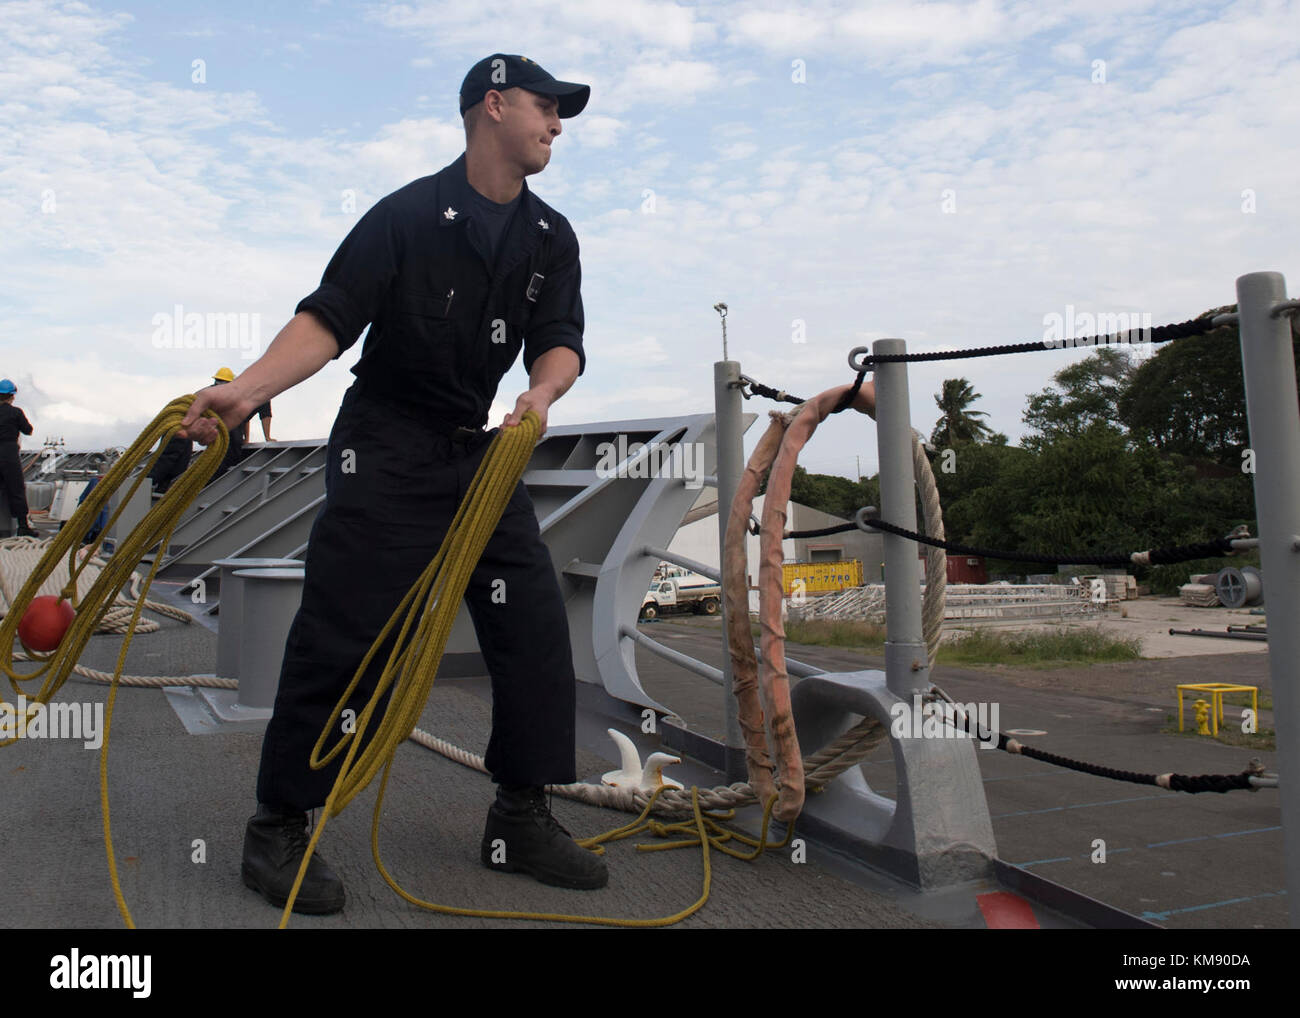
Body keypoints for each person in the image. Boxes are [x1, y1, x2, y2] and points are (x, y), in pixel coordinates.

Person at [180, 54, 596, 915]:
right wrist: (246, 391)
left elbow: (559, 338)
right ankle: (279, 826)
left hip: (477, 454)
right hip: (385, 446)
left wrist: (542, 391)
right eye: (546, 106)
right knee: (346, 636)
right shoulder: (405, 216)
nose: (558, 123)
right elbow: (328, 320)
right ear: (494, 105)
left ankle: (518, 814)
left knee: (533, 626)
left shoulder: (551, 237)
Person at [208, 367, 273, 481]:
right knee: (225, 457)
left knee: (227, 456)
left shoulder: (242, 397)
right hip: (224, 434)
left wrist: (248, 438)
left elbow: (245, 417)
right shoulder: (217, 394)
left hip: (228, 435)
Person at [0, 380, 38, 537]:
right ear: (12, 396)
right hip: (9, 453)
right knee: (16, 489)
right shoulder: (16, 412)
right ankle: (23, 526)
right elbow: (28, 430)